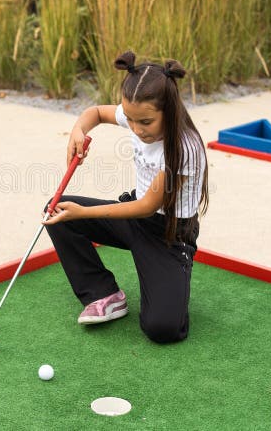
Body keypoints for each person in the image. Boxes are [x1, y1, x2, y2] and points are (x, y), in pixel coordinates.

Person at [43, 50, 209, 343]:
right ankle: (103, 294)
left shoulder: (185, 148)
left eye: (145, 122)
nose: (136, 128)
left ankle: (166, 273)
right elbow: (95, 113)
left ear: (169, 111)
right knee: (56, 210)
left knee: (163, 329)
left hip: (168, 235)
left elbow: (147, 207)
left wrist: (83, 212)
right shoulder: (137, 114)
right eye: (130, 119)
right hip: (133, 217)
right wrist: (77, 131)